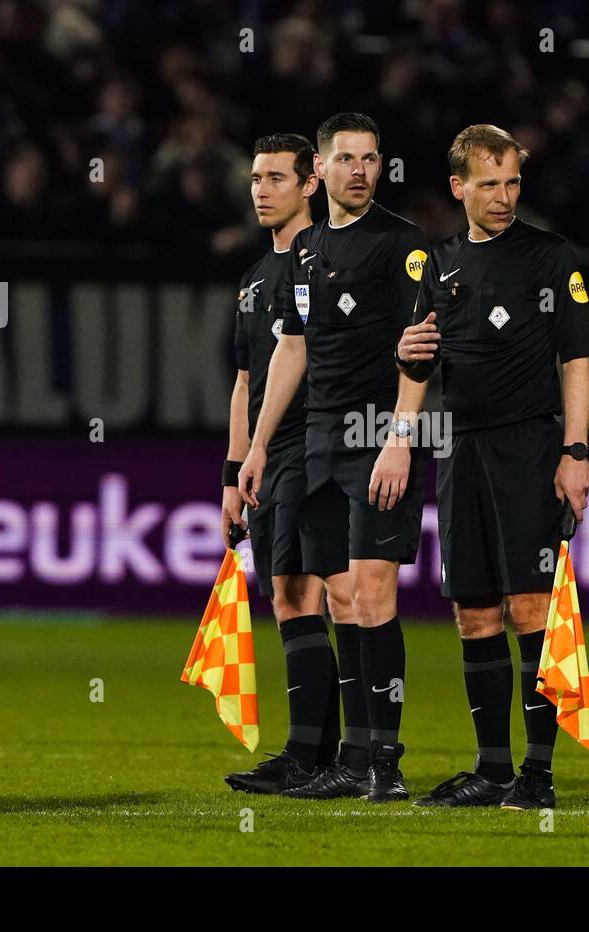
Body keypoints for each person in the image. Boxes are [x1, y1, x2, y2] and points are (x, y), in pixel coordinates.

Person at [396, 124, 589, 809]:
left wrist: (575, 451)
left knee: (529, 606)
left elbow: (577, 359)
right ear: (458, 187)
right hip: (458, 449)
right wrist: (406, 366)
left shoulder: (550, 257)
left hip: (529, 446)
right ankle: (491, 770)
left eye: (513, 181)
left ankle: (537, 777)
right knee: (474, 611)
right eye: (489, 183)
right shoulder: (438, 261)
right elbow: (419, 361)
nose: (504, 196)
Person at [239, 113, 429, 801]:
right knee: (341, 594)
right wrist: (258, 446)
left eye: (371, 159)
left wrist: (401, 440)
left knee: (374, 592)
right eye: (347, 159)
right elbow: (293, 348)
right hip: (318, 436)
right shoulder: (307, 252)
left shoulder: (403, 246)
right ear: (323, 169)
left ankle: (387, 761)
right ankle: (353, 761)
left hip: (377, 435)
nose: (360, 170)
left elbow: (420, 352)